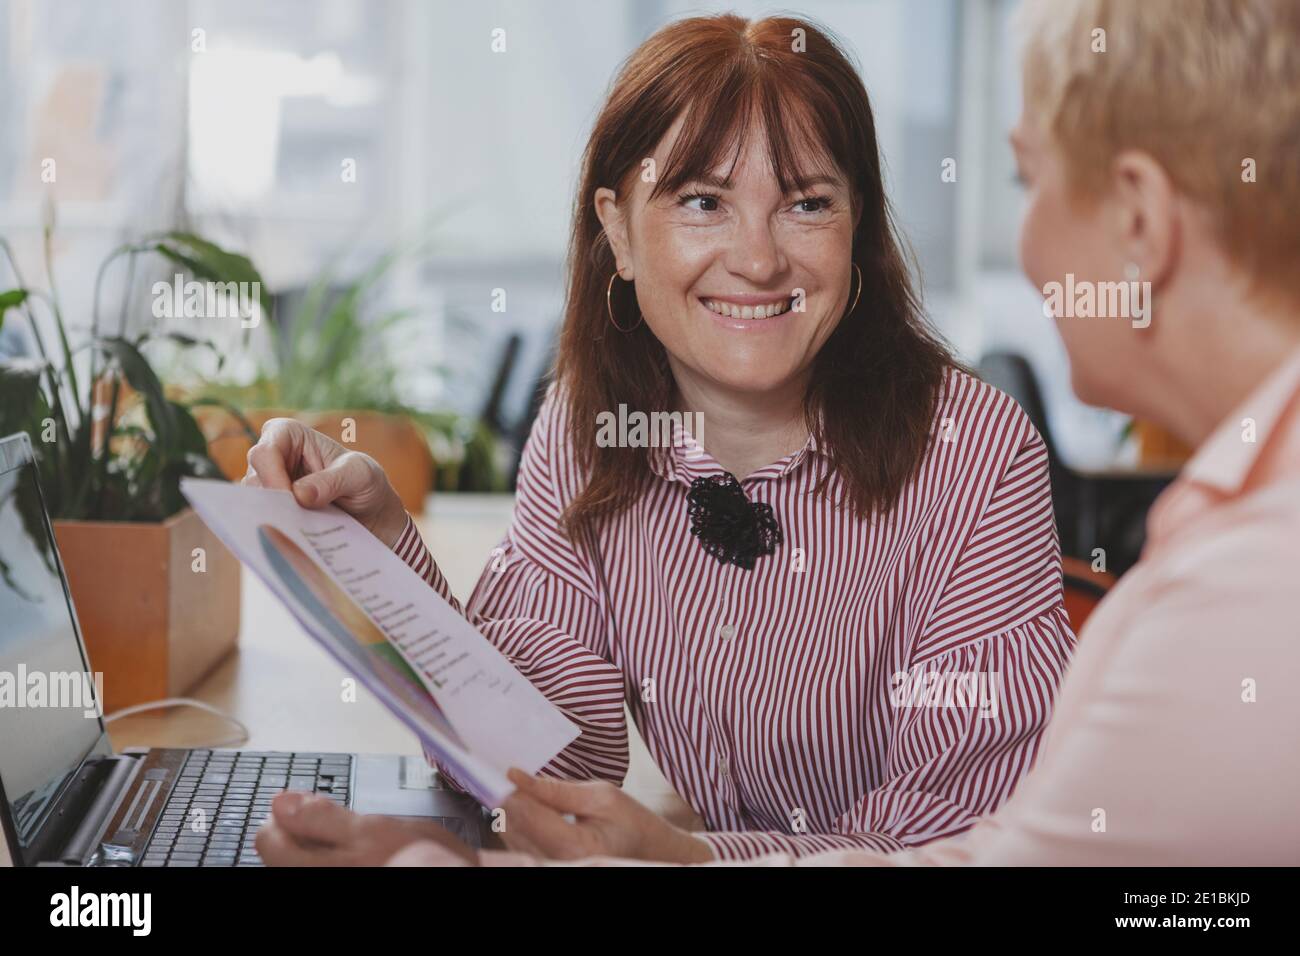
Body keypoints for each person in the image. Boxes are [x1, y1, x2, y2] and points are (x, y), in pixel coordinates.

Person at [257, 0, 1300, 867]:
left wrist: (698, 861)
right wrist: (385, 548)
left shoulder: (978, 457)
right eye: (703, 201)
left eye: (806, 203)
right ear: (617, 229)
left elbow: (961, 839)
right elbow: (552, 763)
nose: (756, 259)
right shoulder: (591, 425)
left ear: (858, 232)